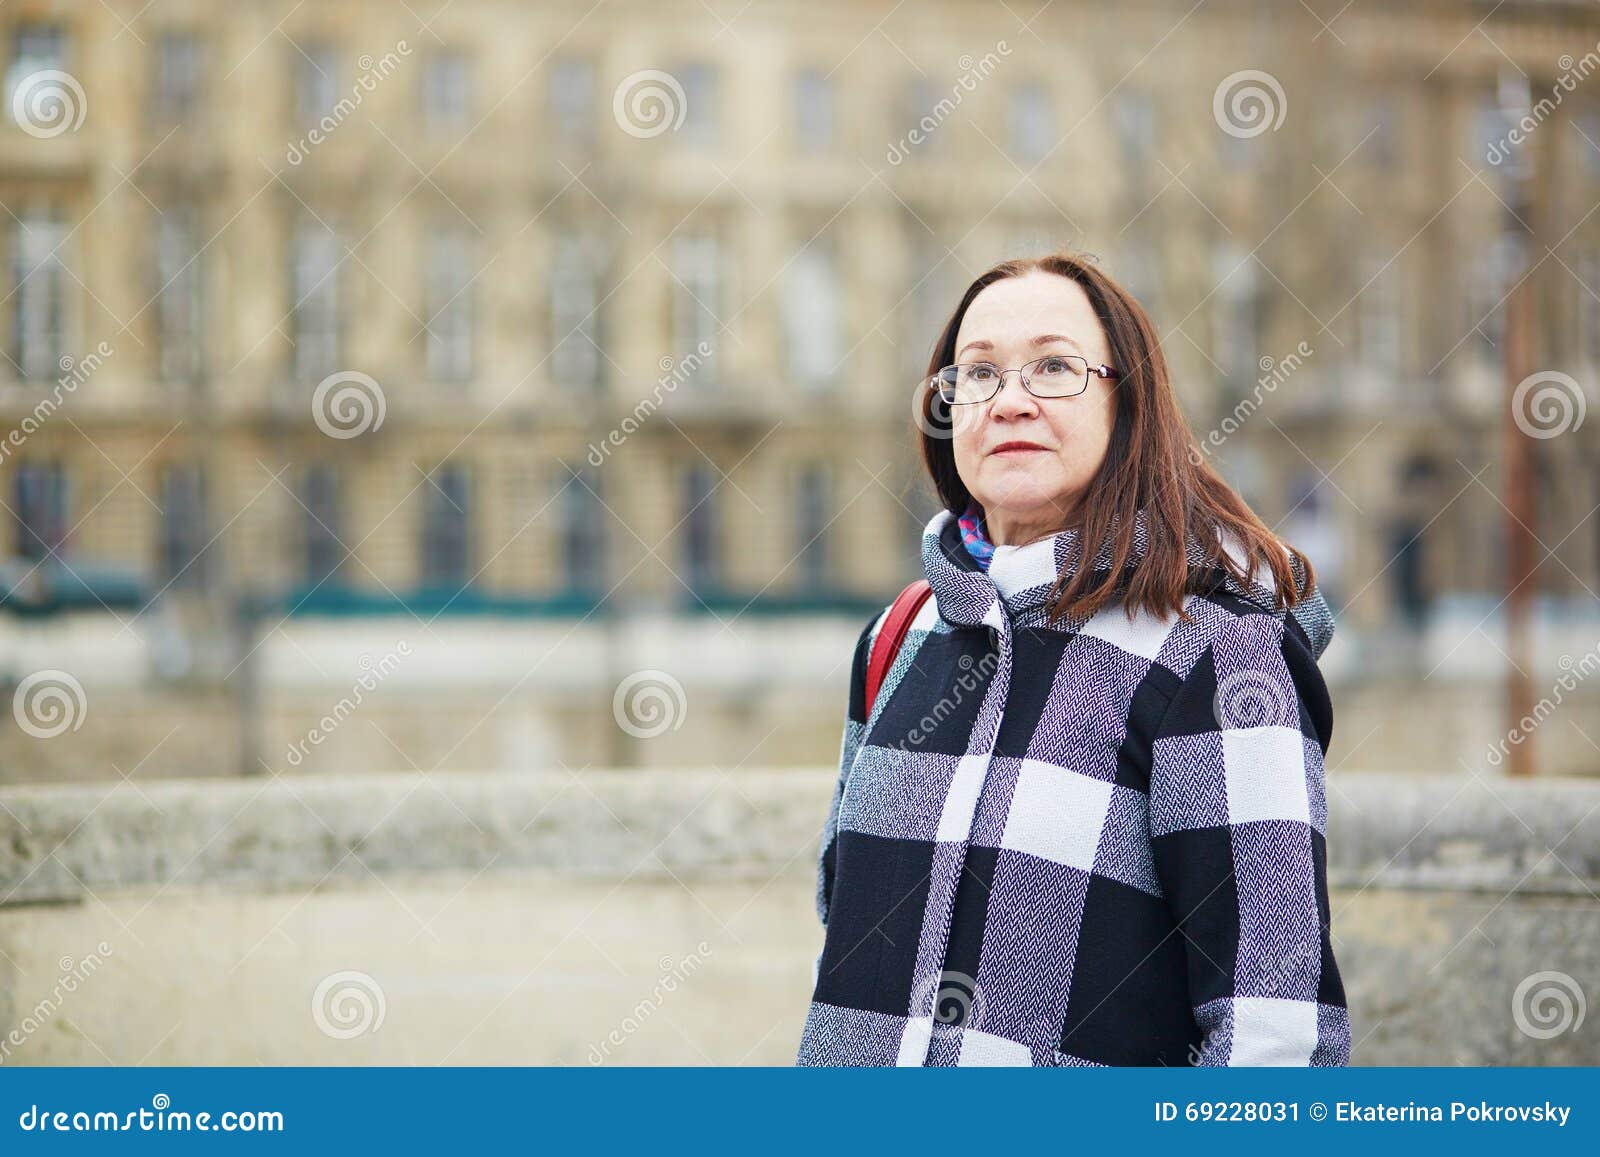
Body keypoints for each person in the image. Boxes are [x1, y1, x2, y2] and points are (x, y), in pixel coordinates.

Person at [796, 252, 1350, 1067]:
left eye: (1054, 367)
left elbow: (1277, 1036)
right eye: (978, 373)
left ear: (1129, 406)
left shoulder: (1220, 652)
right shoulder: (898, 635)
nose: (1009, 400)